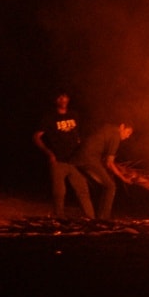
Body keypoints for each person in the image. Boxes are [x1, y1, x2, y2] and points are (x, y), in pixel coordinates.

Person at [32, 91, 95, 219]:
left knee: (82, 188)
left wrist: (81, 148)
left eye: (65, 96)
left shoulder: (74, 115)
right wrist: (49, 153)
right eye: (60, 97)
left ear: (68, 99)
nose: (63, 99)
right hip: (58, 160)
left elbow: (77, 135)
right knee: (59, 192)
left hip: (74, 160)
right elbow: (36, 137)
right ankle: (59, 218)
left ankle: (91, 218)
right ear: (56, 100)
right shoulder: (50, 117)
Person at [76, 121, 134, 220]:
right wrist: (123, 178)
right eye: (127, 132)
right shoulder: (116, 136)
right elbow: (109, 163)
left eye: (129, 134)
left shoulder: (107, 127)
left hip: (78, 158)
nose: (127, 136)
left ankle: (96, 217)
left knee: (103, 184)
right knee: (111, 186)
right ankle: (104, 219)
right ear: (122, 126)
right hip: (89, 160)